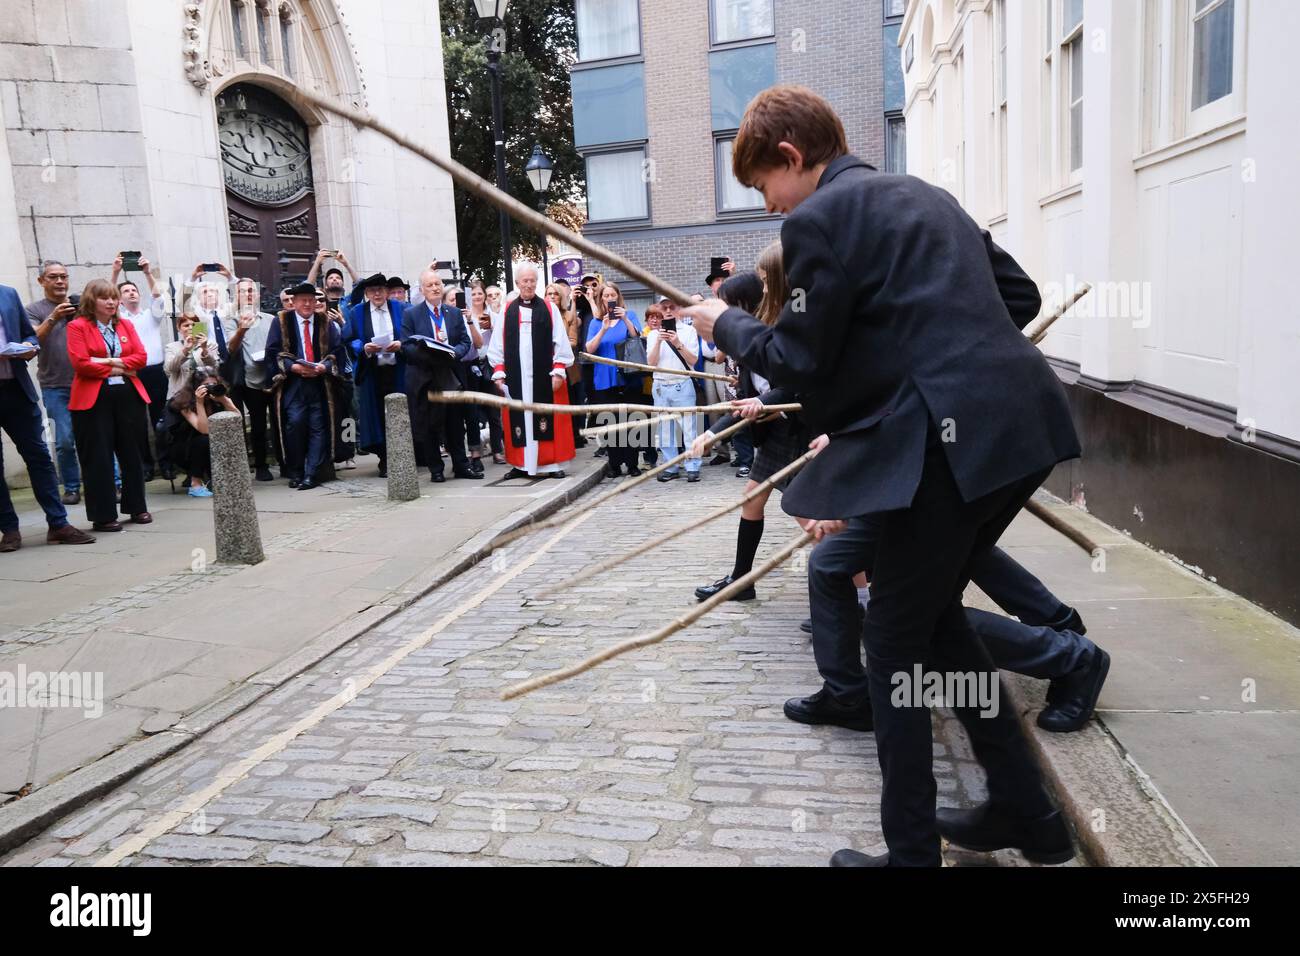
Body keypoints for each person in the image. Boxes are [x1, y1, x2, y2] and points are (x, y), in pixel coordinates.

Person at [684, 85, 1082, 868]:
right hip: (1022, 425)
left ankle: (911, 856)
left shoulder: (819, 220)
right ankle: (1027, 813)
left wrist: (722, 324)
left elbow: (795, 358)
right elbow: (1019, 297)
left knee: (894, 644)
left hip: (949, 446)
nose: (771, 208)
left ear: (792, 158)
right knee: (935, 623)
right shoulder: (925, 195)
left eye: (765, 187)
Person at [693, 254, 806, 601]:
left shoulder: (778, 333)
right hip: (774, 436)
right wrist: (712, 433)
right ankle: (742, 582)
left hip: (802, 432)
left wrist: (767, 404)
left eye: (728, 306)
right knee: (753, 499)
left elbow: (793, 386)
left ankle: (859, 597)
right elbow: (745, 403)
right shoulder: (744, 343)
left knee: (813, 516)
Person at [0, 283, 97, 551]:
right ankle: (9, 530)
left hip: (17, 391)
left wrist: (29, 347)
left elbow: (28, 336)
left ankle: (58, 524)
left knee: (40, 457)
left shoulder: (8, 293)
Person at [66, 279, 152, 532]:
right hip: (94, 398)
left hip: (127, 395)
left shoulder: (125, 324)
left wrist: (106, 361)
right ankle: (103, 515)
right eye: (106, 298)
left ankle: (137, 507)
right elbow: (81, 363)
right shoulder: (77, 327)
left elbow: (142, 357)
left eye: (114, 298)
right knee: (98, 457)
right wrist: (122, 365)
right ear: (92, 301)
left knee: (132, 453)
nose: (112, 302)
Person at [487, 262, 575, 480]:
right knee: (519, 419)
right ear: (517, 283)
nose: (529, 284)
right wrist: (499, 372)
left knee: (545, 419)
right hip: (517, 378)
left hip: (542, 377)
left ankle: (550, 464)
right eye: (524, 281)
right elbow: (497, 344)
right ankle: (521, 464)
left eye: (532, 280)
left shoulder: (549, 308)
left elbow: (561, 343)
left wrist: (558, 371)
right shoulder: (507, 310)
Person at [264, 282, 348, 490]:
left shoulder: (324, 322)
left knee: (318, 428)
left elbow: (338, 350)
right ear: (294, 302)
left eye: (312, 300)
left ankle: (311, 474)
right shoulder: (281, 321)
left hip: (319, 384)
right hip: (294, 384)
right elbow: (272, 351)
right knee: (295, 424)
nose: (308, 304)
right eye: (303, 300)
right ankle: (296, 471)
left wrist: (324, 366)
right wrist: (292, 367)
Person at [401, 269, 478, 482]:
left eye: (437, 284)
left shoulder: (453, 313)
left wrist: (454, 353)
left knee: (455, 423)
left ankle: (461, 466)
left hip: (450, 375)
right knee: (429, 426)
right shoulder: (411, 314)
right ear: (423, 290)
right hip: (425, 377)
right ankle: (436, 469)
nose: (435, 288)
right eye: (430, 285)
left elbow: (465, 341)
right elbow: (407, 346)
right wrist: (432, 356)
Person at [26, 260, 81, 505]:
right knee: (64, 441)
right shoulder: (33, 310)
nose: (60, 281)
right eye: (53, 277)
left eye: (64, 276)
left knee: (99, 436)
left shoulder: (80, 305)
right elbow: (31, 341)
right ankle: (71, 487)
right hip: (54, 386)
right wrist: (53, 317)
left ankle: (113, 483)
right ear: (41, 281)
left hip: (86, 383)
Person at [113, 255, 171, 481]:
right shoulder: (118, 318)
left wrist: (147, 272)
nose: (131, 293)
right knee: (137, 422)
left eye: (134, 290)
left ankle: (166, 464)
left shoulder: (151, 316)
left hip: (156, 372)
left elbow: (157, 295)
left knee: (161, 420)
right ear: (119, 298)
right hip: (133, 374)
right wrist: (116, 272)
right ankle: (145, 466)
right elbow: (106, 296)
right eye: (126, 291)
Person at [348, 273, 406, 477]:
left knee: (400, 411)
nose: (377, 294)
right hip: (372, 371)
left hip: (398, 369)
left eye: (381, 289)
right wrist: (363, 347)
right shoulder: (358, 312)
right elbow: (349, 338)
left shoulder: (400, 308)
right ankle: (385, 459)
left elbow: (409, 334)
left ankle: (405, 454)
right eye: (372, 290)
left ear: (387, 291)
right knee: (377, 416)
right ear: (366, 293)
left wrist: (401, 344)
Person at [583, 282, 643, 478]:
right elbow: (589, 349)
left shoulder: (630, 315)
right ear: (601, 299)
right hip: (605, 377)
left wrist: (624, 319)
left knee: (631, 421)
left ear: (618, 297)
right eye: (606, 295)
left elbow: (636, 337)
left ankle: (633, 463)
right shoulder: (595, 322)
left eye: (612, 295)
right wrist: (603, 328)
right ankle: (615, 464)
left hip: (628, 376)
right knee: (610, 423)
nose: (609, 298)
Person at [227, 278, 279, 481]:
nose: (248, 294)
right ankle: (261, 465)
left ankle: (285, 463)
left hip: (273, 377)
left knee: (278, 421)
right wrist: (242, 329)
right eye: (243, 291)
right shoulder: (231, 320)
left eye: (251, 290)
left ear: (258, 295)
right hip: (249, 380)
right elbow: (230, 349)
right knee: (257, 424)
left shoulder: (269, 319)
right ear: (236, 297)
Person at [644, 304, 702, 483]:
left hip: (682, 384)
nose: (668, 310)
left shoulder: (689, 331)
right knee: (664, 430)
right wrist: (660, 341)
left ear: (679, 309)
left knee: (690, 429)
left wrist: (677, 343)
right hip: (661, 385)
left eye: (672, 306)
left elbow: (693, 360)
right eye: (664, 307)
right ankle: (671, 467)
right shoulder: (653, 334)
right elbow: (651, 364)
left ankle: (693, 466)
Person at [162, 366, 239, 497]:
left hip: (210, 444)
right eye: (206, 385)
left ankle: (217, 479)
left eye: (214, 384)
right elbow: (204, 429)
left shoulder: (217, 398)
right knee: (204, 440)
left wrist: (225, 400)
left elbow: (237, 421)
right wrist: (199, 402)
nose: (211, 387)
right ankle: (195, 483)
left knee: (221, 439)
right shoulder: (182, 400)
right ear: (196, 386)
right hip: (183, 447)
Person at [467, 281, 506, 464]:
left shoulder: (493, 315)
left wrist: (490, 325)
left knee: (493, 410)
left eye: (479, 294)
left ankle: (498, 450)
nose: (477, 297)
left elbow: (499, 337)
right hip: (473, 364)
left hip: (490, 364)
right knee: (473, 411)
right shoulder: (464, 315)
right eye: (473, 294)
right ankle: (475, 450)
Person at [547, 281, 586, 450]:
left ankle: (572, 438)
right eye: (549, 294)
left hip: (566, 366)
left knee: (569, 403)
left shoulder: (568, 316)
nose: (552, 297)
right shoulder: (541, 315)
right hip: (545, 365)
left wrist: (555, 346)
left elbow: (572, 341)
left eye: (555, 294)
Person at [164, 312, 220, 400]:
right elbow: (169, 369)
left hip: (206, 394)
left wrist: (204, 349)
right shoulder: (171, 347)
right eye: (186, 325)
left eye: (194, 325)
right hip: (180, 396)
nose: (190, 328)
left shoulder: (210, 345)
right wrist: (186, 350)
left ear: (199, 326)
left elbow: (215, 368)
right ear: (179, 328)